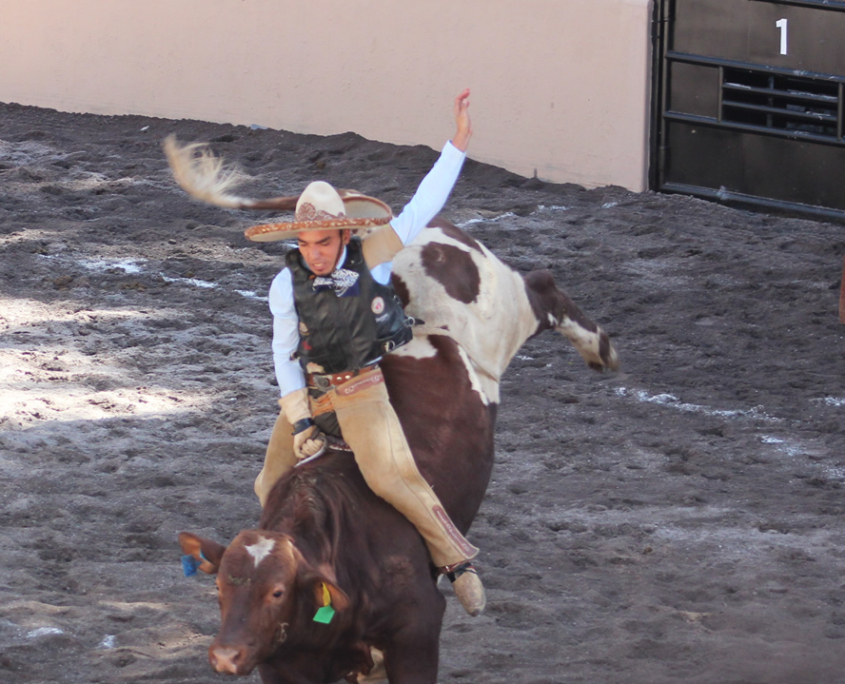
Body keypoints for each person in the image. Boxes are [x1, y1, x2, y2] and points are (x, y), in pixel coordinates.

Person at [250, 89, 485, 617]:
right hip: (311, 393)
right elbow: (284, 352)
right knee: (268, 482)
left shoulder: (373, 254)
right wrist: (298, 418)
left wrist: (459, 143)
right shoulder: (285, 286)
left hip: (360, 389)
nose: (315, 253)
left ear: (344, 235)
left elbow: (424, 204)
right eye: (307, 243)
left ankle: (457, 561)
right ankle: (279, 576)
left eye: (324, 242)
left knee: (391, 478)